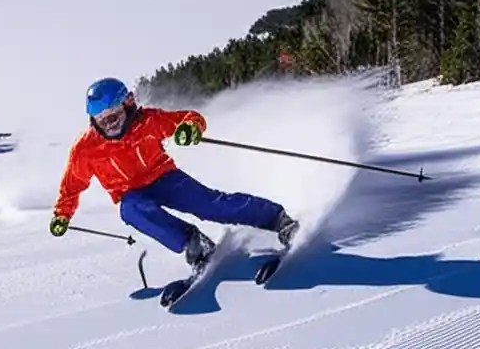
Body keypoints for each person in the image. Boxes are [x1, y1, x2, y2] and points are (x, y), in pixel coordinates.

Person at [50, 77, 298, 277]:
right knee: (131, 210)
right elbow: (72, 186)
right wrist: (62, 214)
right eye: (102, 121)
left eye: (113, 116)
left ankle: (279, 220)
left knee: (209, 205)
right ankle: (197, 245)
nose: (110, 125)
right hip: (132, 194)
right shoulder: (86, 148)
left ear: (127, 103)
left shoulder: (148, 121)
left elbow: (190, 118)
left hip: (165, 179)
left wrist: (189, 128)